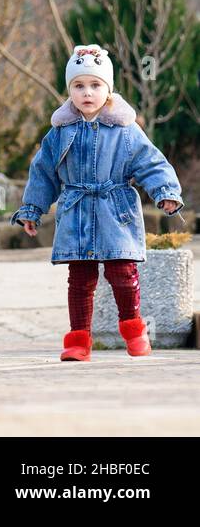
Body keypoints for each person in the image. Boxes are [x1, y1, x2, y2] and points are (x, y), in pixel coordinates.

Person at [11, 44, 184, 361]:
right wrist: (31, 209)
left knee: (123, 273)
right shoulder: (59, 134)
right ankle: (78, 341)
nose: (86, 92)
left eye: (95, 85)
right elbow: (43, 173)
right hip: (77, 210)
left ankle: (133, 330)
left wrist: (166, 192)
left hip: (115, 210)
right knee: (80, 278)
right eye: (78, 85)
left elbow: (151, 163)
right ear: (70, 90)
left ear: (108, 90)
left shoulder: (126, 131)